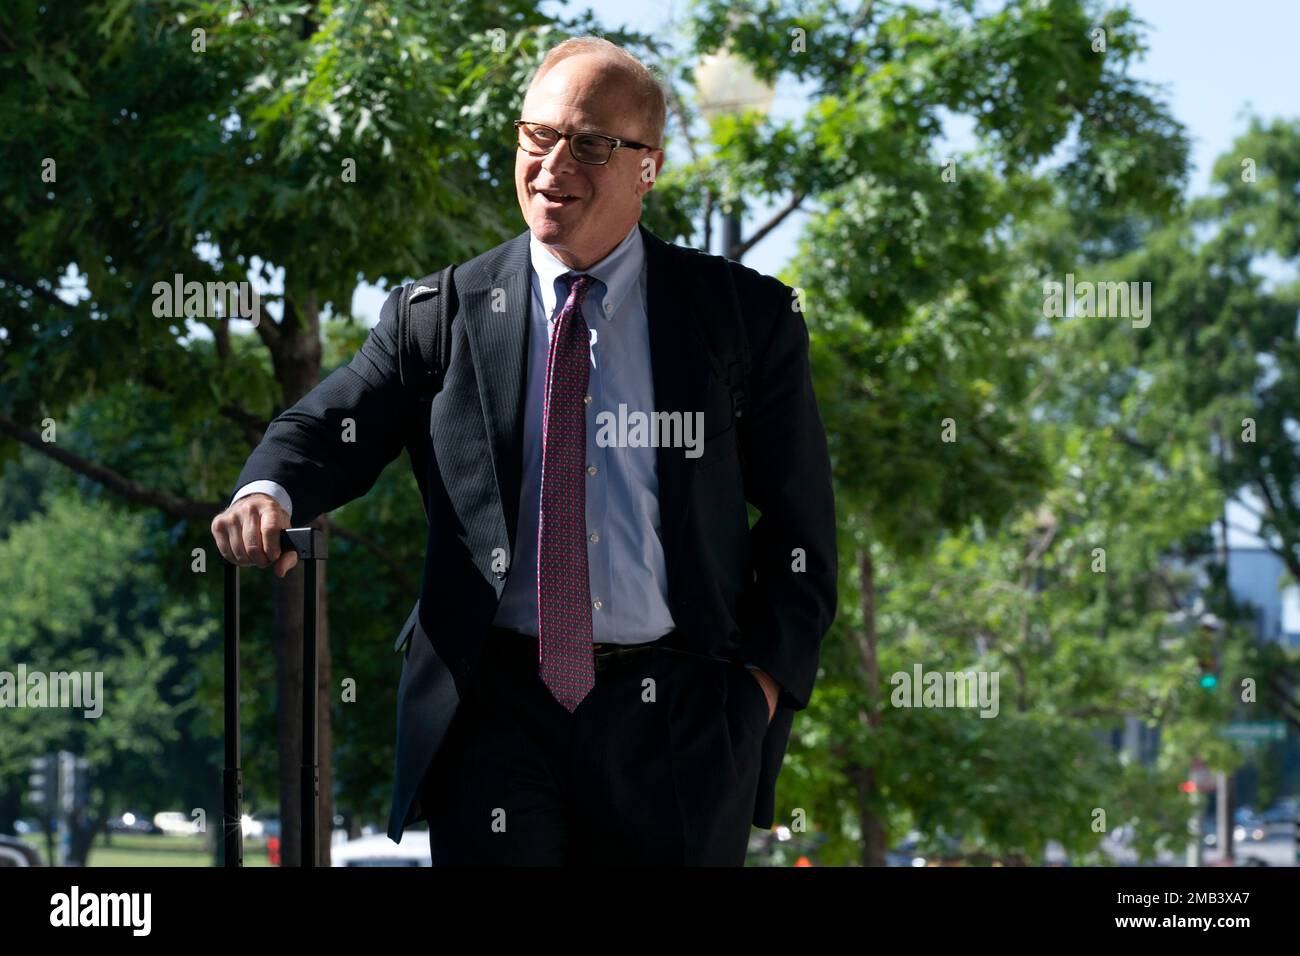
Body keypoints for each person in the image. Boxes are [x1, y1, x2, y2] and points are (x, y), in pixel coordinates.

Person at [210, 35, 836, 866]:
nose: (552, 165)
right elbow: (330, 422)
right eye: (536, 136)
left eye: (590, 144)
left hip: (682, 719)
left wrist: (753, 698)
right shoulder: (438, 314)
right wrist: (270, 492)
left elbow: (802, 529)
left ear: (649, 166)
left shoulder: (742, 318)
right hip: (496, 712)